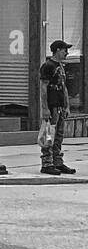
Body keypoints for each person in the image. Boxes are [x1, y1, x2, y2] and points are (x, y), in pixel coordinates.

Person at [39, 39, 76, 175]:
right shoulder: (48, 66)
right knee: (49, 134)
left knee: (59, 136)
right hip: (51, 105)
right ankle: (47, 163)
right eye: (65, 50)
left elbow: (64, 88)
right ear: (57, 50)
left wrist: (67, 106)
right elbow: (43, 88)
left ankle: (57, 162)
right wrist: (45, 108)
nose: (67, 53)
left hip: (60, 106)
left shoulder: (61, 67)